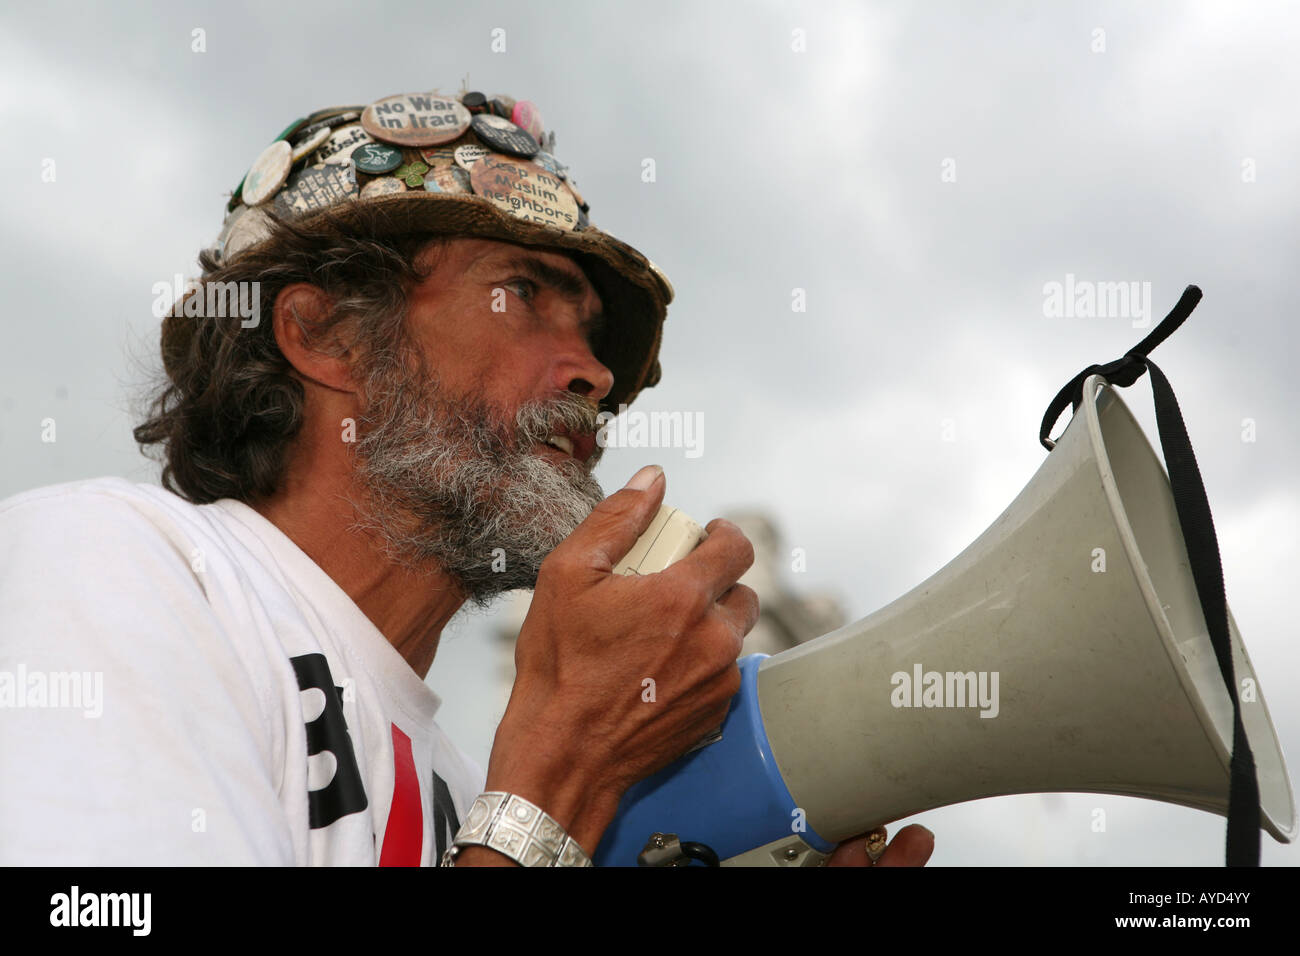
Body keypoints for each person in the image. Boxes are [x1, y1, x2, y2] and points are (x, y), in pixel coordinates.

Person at [0, 88, 932, 867]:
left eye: (596, 338)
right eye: (522, 293)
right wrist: (555, 786)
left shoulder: (459, 783)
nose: (594, 376)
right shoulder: (109, 564)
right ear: (324, 335)